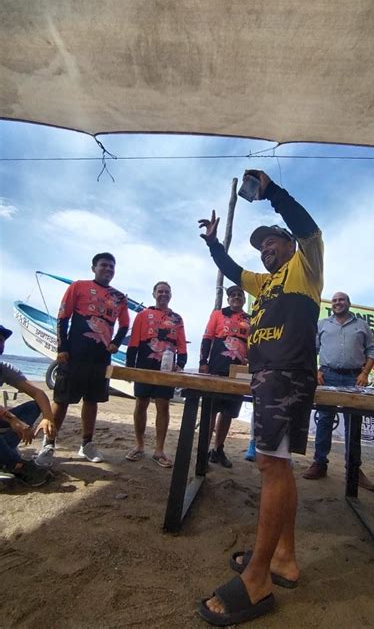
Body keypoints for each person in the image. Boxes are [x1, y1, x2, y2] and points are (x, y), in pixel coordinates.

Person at [197, 170, 323, 625]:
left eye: (272, 242)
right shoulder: (264, 283)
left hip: (287, 376)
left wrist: (271, 193)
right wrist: (213, 243)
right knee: (279, 462)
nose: (266, 249)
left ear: (289, 244)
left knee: (271, 465)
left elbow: (308, 227)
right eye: (262, 247)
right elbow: (233, 270)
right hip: (268, 377)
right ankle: (284, 557)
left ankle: (257, 578)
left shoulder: (305, 266)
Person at [35, 253, 129, 466]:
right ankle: (48, 444)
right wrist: (62, 347)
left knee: (92, 399)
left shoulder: (119, 297)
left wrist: (116, 342)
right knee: (62, 399)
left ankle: (86, 444)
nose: (108, 269)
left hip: (100, 357)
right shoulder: (78, 286)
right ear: (93, 267)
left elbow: (124, 324)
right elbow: (63, 317)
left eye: (112, 267)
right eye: (104, 265)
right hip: (75, 353)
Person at [303, 292, 374, 490]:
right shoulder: (323, 324)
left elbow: (372, 351)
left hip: (355, 378)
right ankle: (320, 463)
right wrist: (316, 370)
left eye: (341, 300)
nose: (338, 303)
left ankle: (354, 469)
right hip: (328, 376)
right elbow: (312, 350)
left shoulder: (361, 325)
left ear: (348, 303)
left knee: (353, 422)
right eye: (335, 300)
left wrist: (365, 373)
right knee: (325, 420)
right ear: (332, 305)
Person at [125, 281, 187, 467]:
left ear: (171, 295)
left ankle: (159, 450)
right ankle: (139, 445)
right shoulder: (143, 315)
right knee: (141, 403)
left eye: (167, 292)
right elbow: (134, 341)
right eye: (160, 291)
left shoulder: (177, 319)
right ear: (154, 294)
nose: (163, 294)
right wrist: (130, 366)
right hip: (144, 365)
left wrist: (181, 363)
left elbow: (182, 344)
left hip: (166, 369)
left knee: (163, 406)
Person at [199, 285, 250, 468]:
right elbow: (207, 338)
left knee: (228, 412)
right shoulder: (218, 314)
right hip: (216, 368)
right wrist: (203, 362)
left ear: (244, 299)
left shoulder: (249, 319)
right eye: (233, 295)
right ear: (228, 299)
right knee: (211, 410)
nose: (236, 297)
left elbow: (252, 347)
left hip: (238, 374)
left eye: (240, 295)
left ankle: (218, 450)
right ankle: (203, 452)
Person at [0, 324, 56, 486]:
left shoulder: (4, 369)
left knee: (34, 406)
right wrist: (12, 419)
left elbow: (38, 393)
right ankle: (15, 464)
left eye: (2, 340)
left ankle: (5, 454)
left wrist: (47, 417)